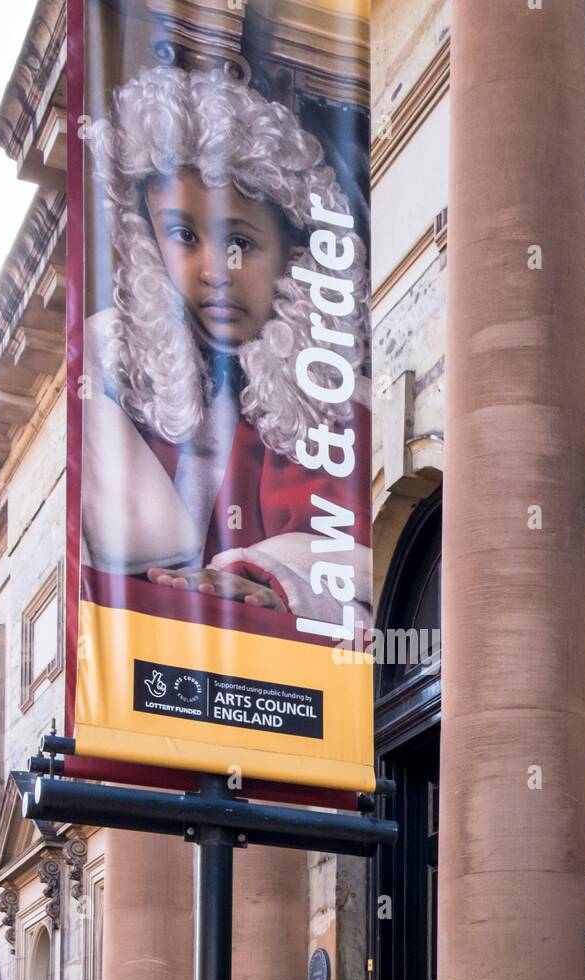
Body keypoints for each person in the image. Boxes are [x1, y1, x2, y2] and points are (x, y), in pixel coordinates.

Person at [81, 64, 371, 630]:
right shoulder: (107, 378)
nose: (215, 271)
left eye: (240, 241)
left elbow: (359, 564)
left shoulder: (334, 408)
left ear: (293, 253)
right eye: (184, 236)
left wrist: (270, 578)